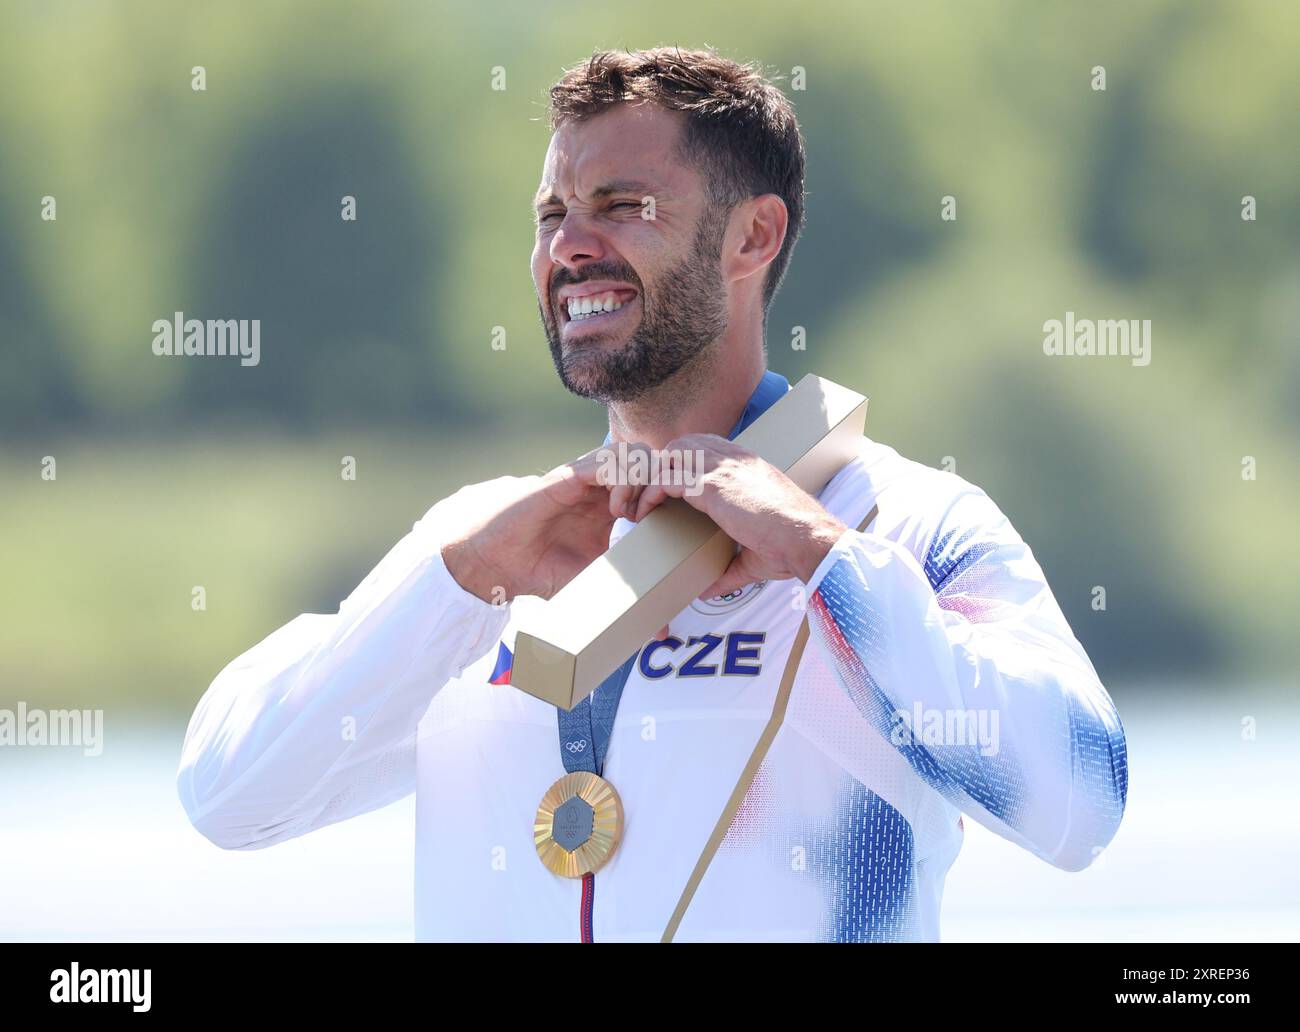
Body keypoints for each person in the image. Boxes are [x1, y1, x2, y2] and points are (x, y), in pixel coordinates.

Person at [177, 47, 1127, 942]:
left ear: (752, 235)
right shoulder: (481, 543)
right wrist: (457, 587)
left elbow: (1079, 807)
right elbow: (229, 799)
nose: (571, 247)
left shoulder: (901, 522)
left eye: (622, 204)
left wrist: (823, 559)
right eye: (551, 216)